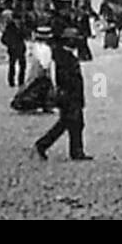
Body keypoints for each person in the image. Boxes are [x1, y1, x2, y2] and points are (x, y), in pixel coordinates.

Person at [34, 29, 92, 161]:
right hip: (69, 95)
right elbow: (65, 78)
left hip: (70, 94)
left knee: (71, 123)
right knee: (70, 123)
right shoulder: (63, 56)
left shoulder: (64, 54)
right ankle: (45, 145)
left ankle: (75, 150)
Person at [1, 13, 27, 88]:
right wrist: (9, 44)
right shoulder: (10, 27)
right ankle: (11, 81)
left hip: (21, 48)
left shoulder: (21, 27)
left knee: (22, 65)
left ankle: (21, 81)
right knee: (12, 65)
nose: (18, 21)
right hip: (13, 49)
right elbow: (3, 39)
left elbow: (24, 35)